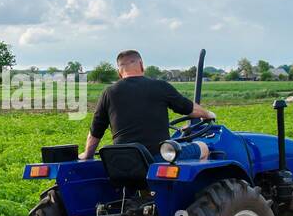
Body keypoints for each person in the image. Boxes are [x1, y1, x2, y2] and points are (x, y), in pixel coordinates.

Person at [79, 50, 215, 159]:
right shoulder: (160, 87)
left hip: (123, 160)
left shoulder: (109, 93)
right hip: (157, 157)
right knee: (203, 147)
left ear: (119, 71)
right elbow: (189, 108)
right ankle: (187, 193)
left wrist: (87, 155)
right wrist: (208, 114)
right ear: (141, 64)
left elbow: (95, 131)